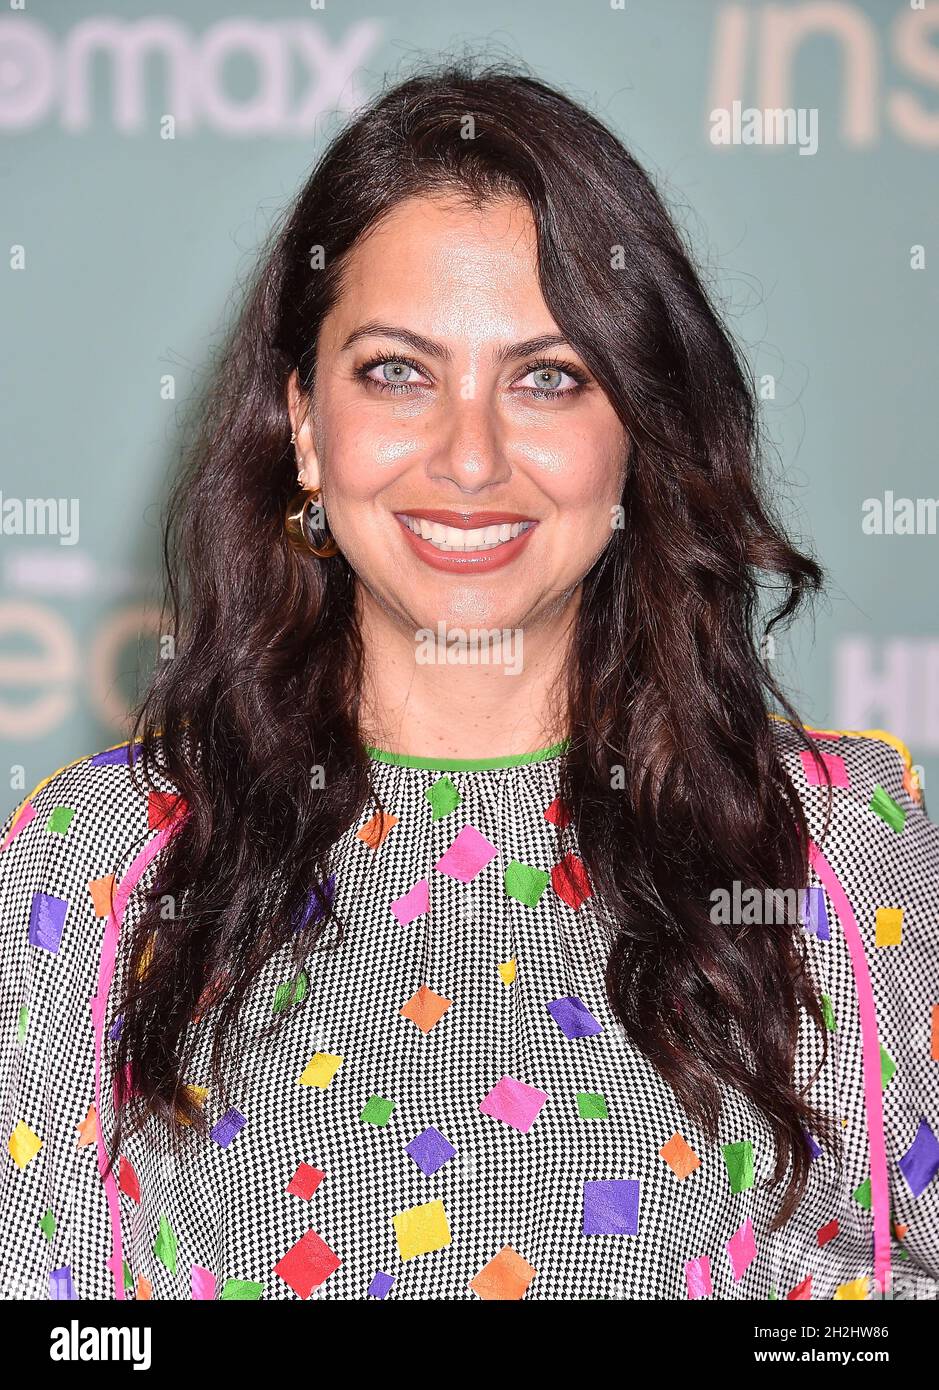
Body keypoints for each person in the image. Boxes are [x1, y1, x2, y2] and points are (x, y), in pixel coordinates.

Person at [1, 61, 937, 1303]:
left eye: (548, 377)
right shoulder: (100, 865)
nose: (470, 454)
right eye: (398, 370)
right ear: (304, 424)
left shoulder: (826, 849)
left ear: (638, 435)